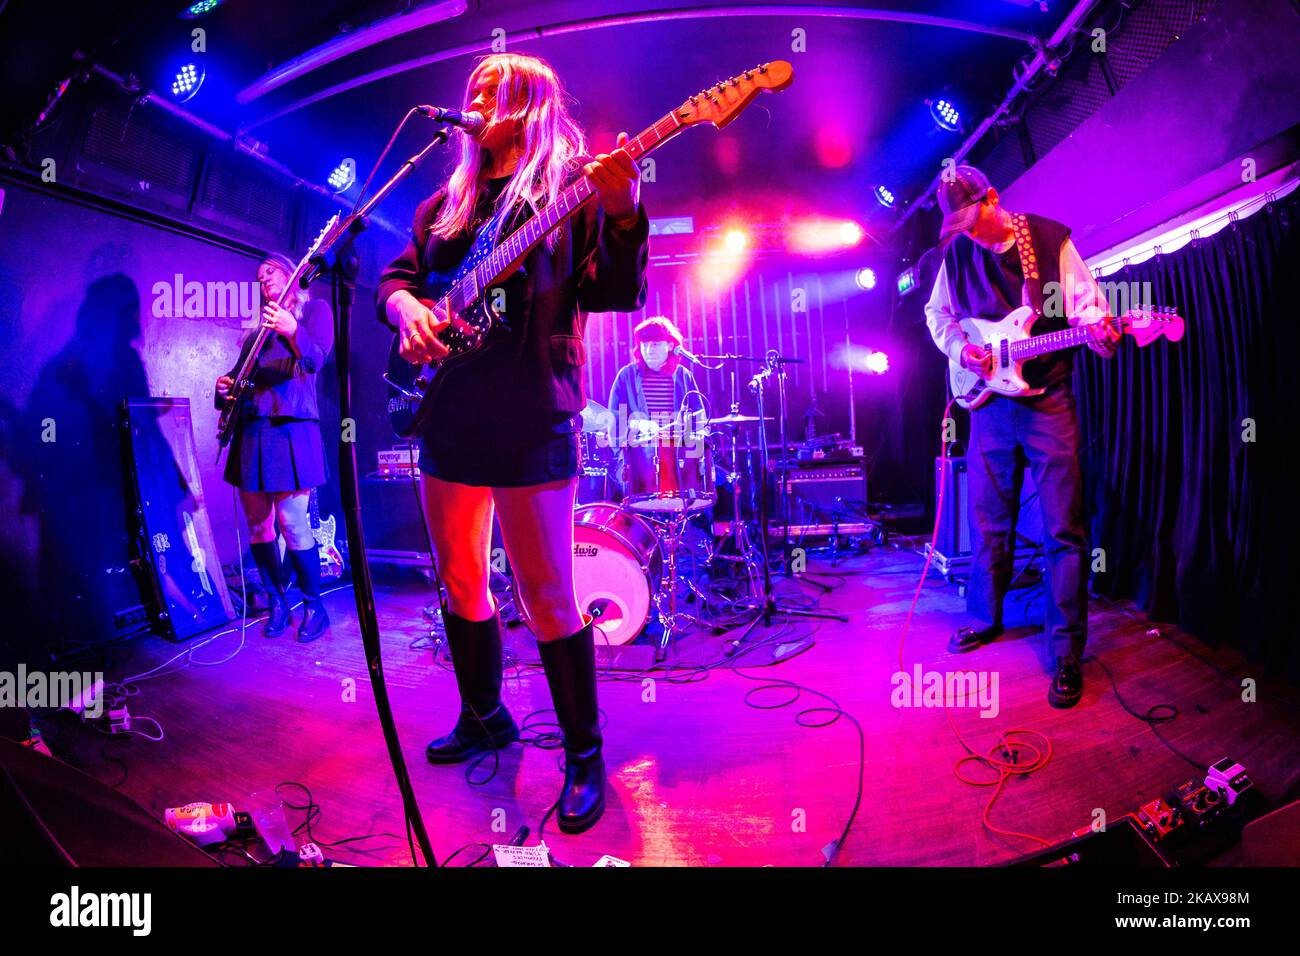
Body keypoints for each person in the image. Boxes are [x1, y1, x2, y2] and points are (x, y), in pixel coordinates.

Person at [375, 52, 648, 833]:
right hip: (449, 409)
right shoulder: (443, 203)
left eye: (493, 90)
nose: (476, 98)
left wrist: (625, 210)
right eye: (472, 89)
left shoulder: (569, 192)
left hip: (531, 409)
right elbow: (393, 278)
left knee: (546, 595)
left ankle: (585, 753)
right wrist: (407, 311)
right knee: (461, 579)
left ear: (529, 103)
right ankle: (485, 714)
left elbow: (616, 293)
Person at [923, 165, 1119, 709]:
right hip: (988, 402)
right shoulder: (958, 254)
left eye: (972, 218)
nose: (968, 232)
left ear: (993, 197)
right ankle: (986, 619)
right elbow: (938, 315)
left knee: (1063, 527)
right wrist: (963, 350)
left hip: (1046, 400)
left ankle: (1066, 652)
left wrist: (1099, 327)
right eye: (957, 224)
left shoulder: (1050, 239)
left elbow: (1087, 306)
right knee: (988, 519)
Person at [216, 254, 335, 642]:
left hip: (291, 430)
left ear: (290, 273)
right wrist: (224, 387)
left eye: (271, 271)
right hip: (253, 431)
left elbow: (316, 359)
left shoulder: (314, 310)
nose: (264, 278)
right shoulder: (256, 335)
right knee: (258, 525)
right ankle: (277, 600)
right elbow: (237, 383)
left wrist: (292, 329)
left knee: (293, 523)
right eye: (259, 276)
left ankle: (314, 605)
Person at [606, 315, 707, 501]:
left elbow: (700, 420)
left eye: (654, 344)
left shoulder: (684, 376)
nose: (648, 350)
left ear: (670, 346)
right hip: (640, 463)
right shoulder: (626, 376)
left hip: (680, 461)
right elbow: (614, 425)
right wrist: (635, 428)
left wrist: (693, 437)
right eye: (644, 344)